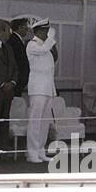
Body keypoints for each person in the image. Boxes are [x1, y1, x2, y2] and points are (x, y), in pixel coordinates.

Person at [25, 17, 58, 163]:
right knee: (35, 121)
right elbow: (44, 49)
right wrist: (51, 39)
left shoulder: (46, 46)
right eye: (45, 31)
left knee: (44, 122)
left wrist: (50, 41)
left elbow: (52, 60)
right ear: (38, 31)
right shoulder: (32, 45)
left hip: (47, 88)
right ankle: (31, 152)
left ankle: (40, 150)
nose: (47, 34)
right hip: (37, 88)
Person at [0, 19, 18, 157]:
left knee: (5, 121)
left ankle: (3, 149)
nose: (10, 34)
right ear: (1, 30)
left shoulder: (9, 48)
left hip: (8, 92)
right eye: (8, 30)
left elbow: (14, 67)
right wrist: (1, 84)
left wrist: (12, 82)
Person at [8, 18, 31, 96]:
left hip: (19, 79)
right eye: (25, 27)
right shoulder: (14, 40)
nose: (27, 29)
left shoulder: (18, 40)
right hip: (17, 79)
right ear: (19, 27)